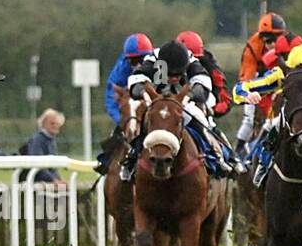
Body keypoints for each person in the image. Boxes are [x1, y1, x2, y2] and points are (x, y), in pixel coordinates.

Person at [119, 40, 235, 181]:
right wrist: (143, 93)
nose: (174, 78)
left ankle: (216, 156)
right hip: (158, 100)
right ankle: (132, 156)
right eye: (170, 74)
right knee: (144, 116)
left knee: (198, 117)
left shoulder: (190, 60)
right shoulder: (152, 59)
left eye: (178, 75)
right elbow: (136, 80)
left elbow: (203, 83)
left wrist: (189, 96)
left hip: (183, 101)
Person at [236, 43, 302, 187]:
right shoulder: (282, 73)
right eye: (297, 70)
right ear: (290, 68)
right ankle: (264, 164)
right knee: (276, 125)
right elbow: (240, 87)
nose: (301, 73)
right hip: (293, 112)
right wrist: (246, 95)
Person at [95, 32, 155, 173]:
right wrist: (122, 120)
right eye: (133, 61)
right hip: (131, 110)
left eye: (142, 60)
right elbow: (111, 98)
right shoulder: (121, 70)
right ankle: (106, 166)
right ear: (127, 59)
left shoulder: (158, 65)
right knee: (115, 140)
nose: (138, 65)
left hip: (153, 108)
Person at [236, 12, 289, 156]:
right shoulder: (252, 47)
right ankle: (239, 150)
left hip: (282, 80)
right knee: (248, 117)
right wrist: (248, 95)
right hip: (260, 80)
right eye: (267, 40)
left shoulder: (290, 45)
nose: (271, 44)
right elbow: (247, 77)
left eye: (275, 39)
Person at [177, 30, 233, 116]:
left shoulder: (211, 69)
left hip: (202, 109)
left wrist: (212, 110)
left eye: (195, 59)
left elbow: (226, 101)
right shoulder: (166, 64)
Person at [23, 109, 65, 183]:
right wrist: (53, 180)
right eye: (52, 123)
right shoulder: (38, 139)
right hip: (35, 181)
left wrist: (58, 179)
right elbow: (38, 164)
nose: (55, 126)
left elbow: (52, 168)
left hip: (46, 180)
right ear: (43, 123)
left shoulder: (51, 140)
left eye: (57, 123)